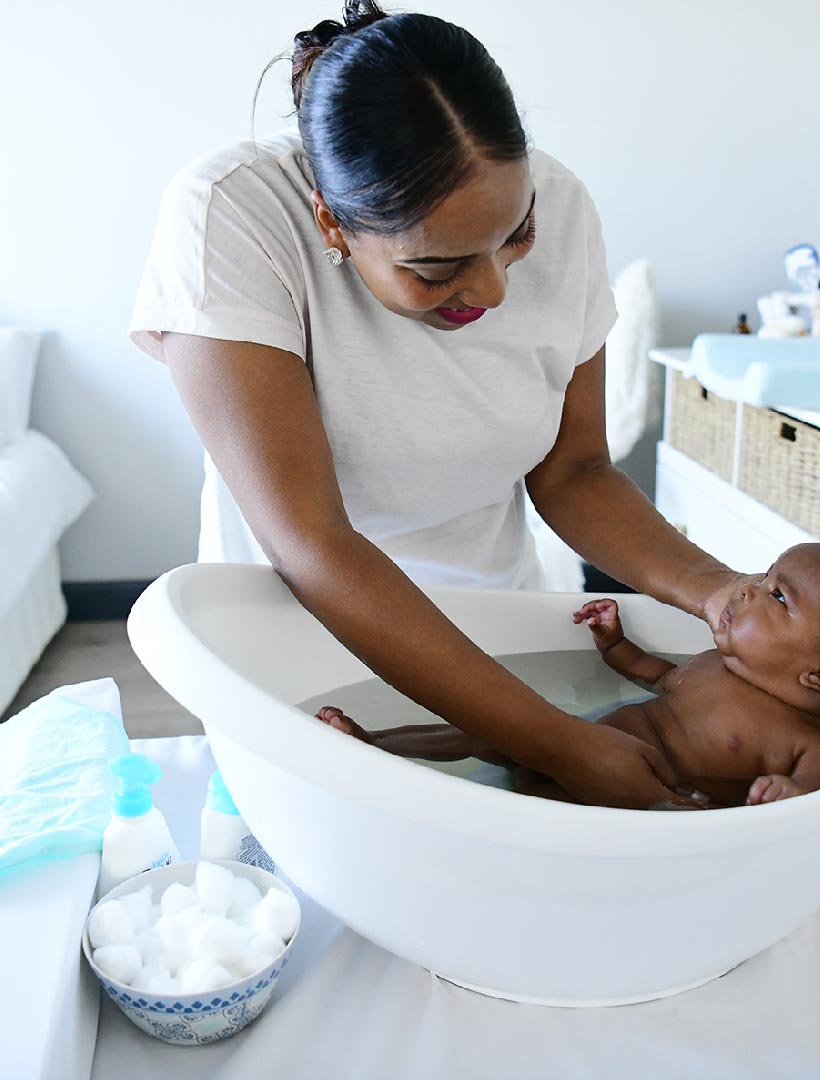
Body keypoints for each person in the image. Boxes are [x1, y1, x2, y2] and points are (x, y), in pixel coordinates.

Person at [129, 1, 748, 809]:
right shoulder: (232, 214)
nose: (492, 288)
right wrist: (562, 744)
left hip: (499, 619)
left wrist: (724, 596)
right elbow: (313, 543)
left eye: (517, 237)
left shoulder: (561, 201)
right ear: (332, 224)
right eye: (436, 268)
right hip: (299, 636)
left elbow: (579, 471)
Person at [314, 543, 820, 808]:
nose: (747, 587)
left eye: (777, 597)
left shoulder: (804, 746)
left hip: (629, 802)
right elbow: (653, 676)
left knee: (524, 796)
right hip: (571, 745)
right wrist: (615, 642)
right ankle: (373, 747)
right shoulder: (713, 667)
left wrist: (788, 797)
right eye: (764, 573)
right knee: (485, 728)